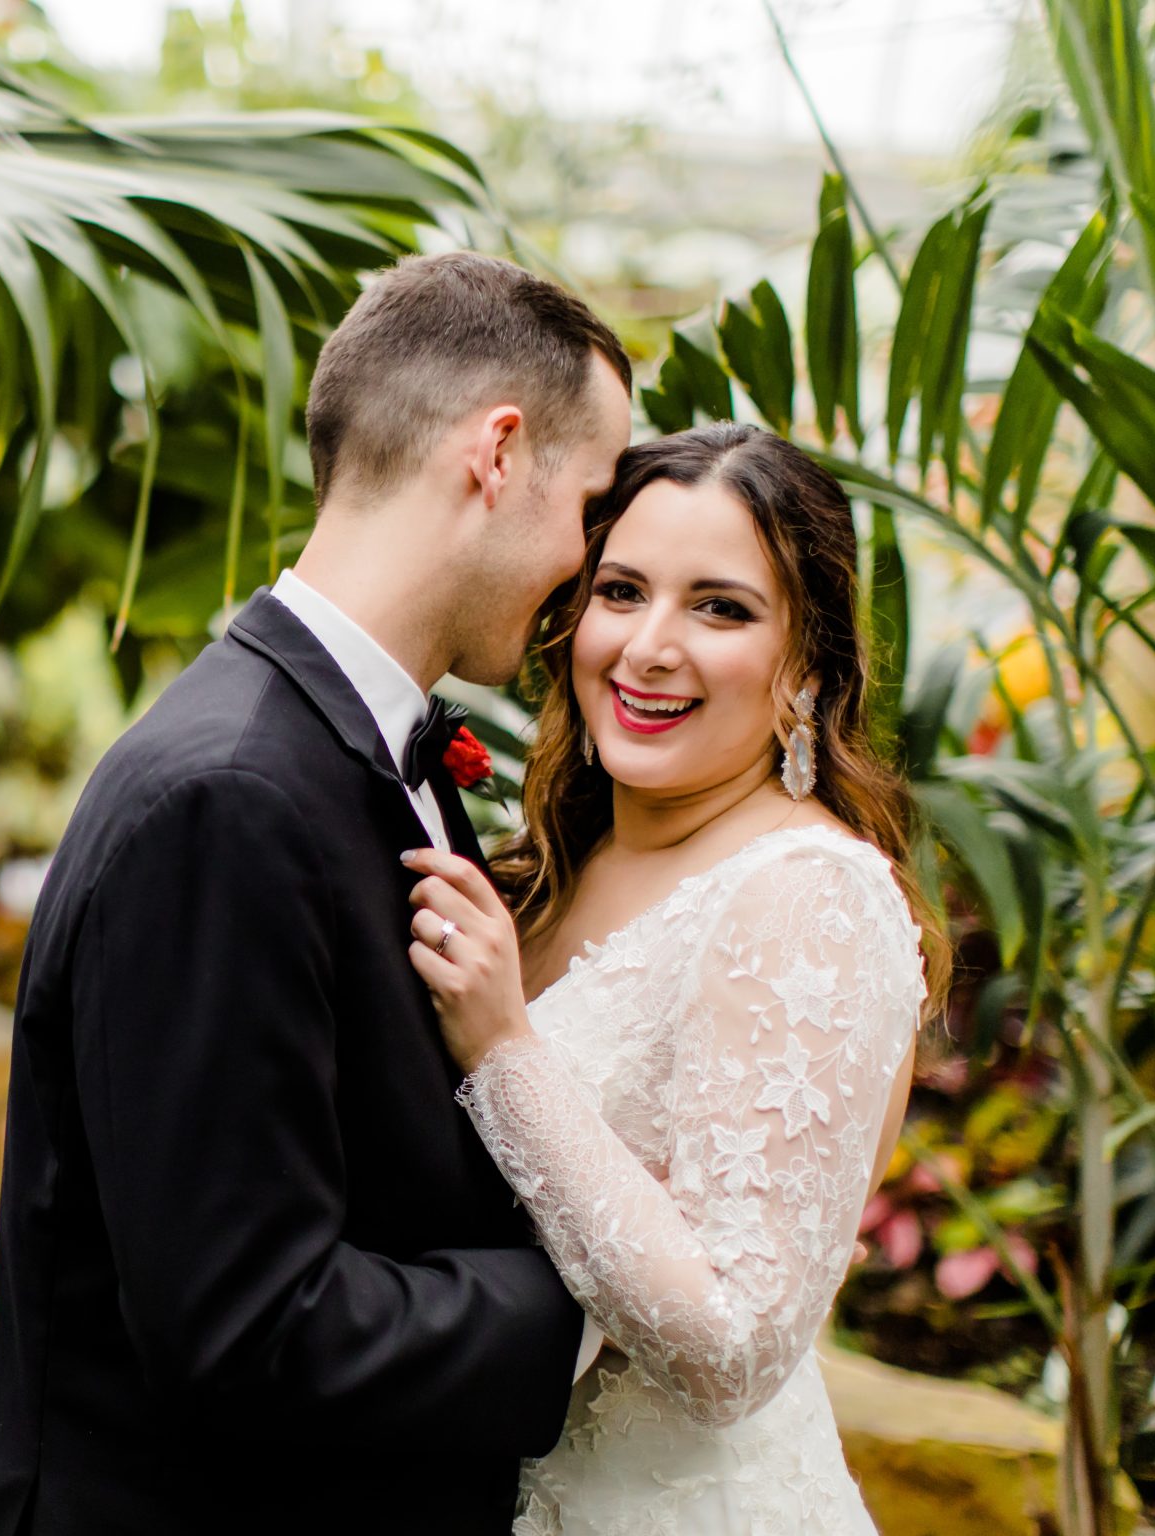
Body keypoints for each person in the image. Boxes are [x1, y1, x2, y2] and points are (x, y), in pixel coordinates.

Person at [0, 251, 634, 1534]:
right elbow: (249, 1323)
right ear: (496, 452)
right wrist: (592, 1297)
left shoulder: (357, 750)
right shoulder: (226, 797)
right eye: (590, 504)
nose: (588, 566)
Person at [402, 422, 945, 1534]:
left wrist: (505, 1056)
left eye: (720, 608)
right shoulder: (555, 863)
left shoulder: (809, 899)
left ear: (808, 662)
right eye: (620, 591)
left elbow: (733, 1351)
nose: (649, 646)